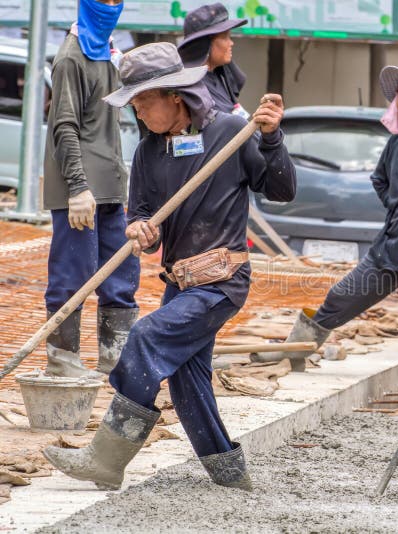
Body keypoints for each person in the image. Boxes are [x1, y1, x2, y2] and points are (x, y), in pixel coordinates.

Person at [43, 42, 296, 491]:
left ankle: (106, 457)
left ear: (174, 96)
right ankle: (229, 473)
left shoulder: (231, 133)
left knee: (144, 336)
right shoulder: (148, 153)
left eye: (143, 102)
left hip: (220, 282)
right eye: (133, 104)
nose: (138, 113)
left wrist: (272, 138)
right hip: (180, 282)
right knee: (187, 380)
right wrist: (140, 230)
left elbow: (281, 190)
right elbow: (140, 213)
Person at [250, 67, 398, 424]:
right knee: (341, 297)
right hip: (390, 246)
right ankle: (296, 349)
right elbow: (380, 179)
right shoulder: (396, 143)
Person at [42, 0, 140, 378]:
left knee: (121, 272)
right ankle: (63, 362)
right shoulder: (71, 58)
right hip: (79, 189)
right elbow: (63, 126)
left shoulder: (108, 53)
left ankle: (115, 359)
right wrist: (78, 187)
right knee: (73, 273)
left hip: (111, 185)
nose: (111, 6)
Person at [177, 3, 249, 118]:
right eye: (225, 37)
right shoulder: (194, 88)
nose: (231, 43)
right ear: (205, 44)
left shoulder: (221, 77)